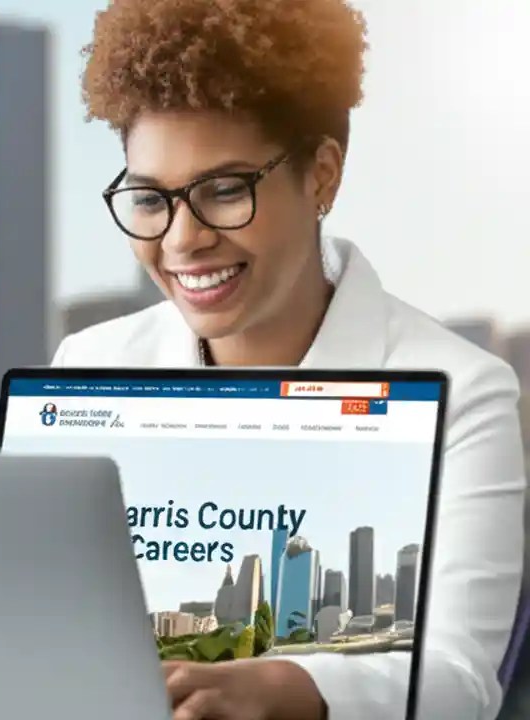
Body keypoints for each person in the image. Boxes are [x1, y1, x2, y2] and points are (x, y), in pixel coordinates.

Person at [54, 1, 526, 718]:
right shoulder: (87, 366)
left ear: (323, 178)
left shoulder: (461, 391)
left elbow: (461, 684)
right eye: (151, 197)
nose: (182, 240)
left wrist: (290, 688)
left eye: (223, 190)